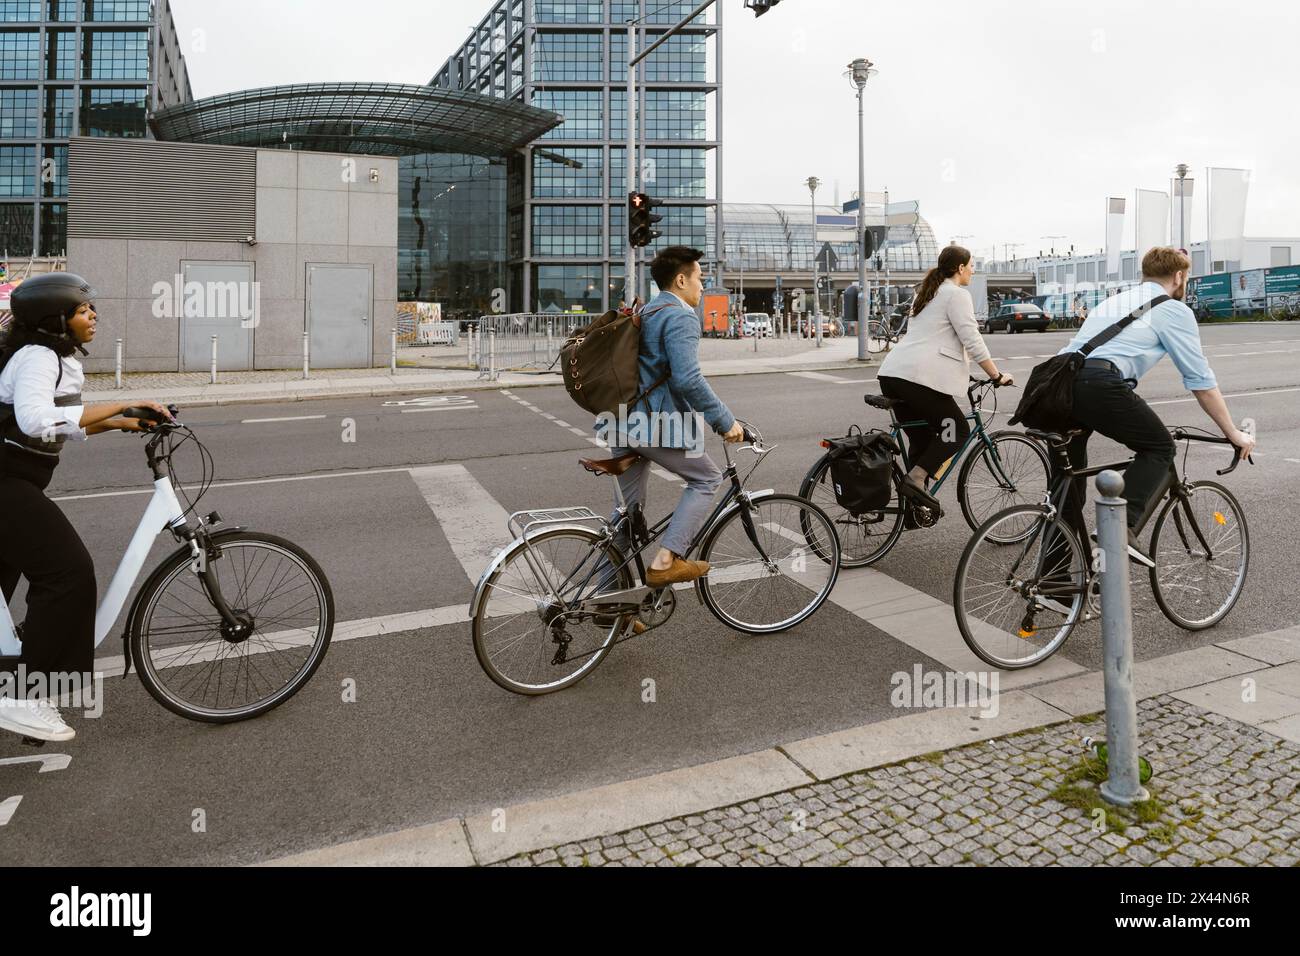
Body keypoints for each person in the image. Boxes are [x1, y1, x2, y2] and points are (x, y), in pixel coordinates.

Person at [0, 273, 171, 743]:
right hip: (7, 484)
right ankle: (24, 698)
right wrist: (121, 403)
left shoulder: (49, 357)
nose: (92, 315)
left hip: (15, 482)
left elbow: (52, 426)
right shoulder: (37, 357)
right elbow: (34, 419)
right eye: (82, 310)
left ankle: (17, 685)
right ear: (56, 319)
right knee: (67, 574)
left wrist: (118, 421)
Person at [1055, 247, 1255, 564]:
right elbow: (1200, 381)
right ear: (1179, 276)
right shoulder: (1173, 310)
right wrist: (1232, 432)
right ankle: (1118, 529)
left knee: (1068, 489)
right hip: (1099, 383)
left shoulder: (1114, 300)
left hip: (1058, 386)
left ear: (1144, 274)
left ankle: (1053, 586)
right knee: (1160, 447)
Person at [596, 246, 744, 587]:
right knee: (707, 478)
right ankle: (666, 562)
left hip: (620, 421)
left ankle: (608, 599)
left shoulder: (646, 310)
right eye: (700, 279)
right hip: (653, 425)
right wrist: (725, 421)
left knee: (626, 515)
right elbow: (688, 379)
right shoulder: (679, 316)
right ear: (681, 280)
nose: (703, 287)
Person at [875, 245, 1012, 513]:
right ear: (960, 268)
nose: (973, 270)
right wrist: (995, 375)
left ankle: (915, 509)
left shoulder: (926, 293)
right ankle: (915, 480)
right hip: (916, 379)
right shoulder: (956, 294)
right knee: (956, 430)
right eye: (971, 265)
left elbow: (931, 339)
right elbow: (971, 339)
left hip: (892, 374)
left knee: (923, 439)